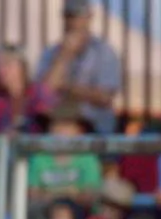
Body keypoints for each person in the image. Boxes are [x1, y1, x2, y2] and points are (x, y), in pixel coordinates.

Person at [37, 0, 123, 135]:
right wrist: (65, 56)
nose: (74, 22)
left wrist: (66, 87)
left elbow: (105, 96)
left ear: (89, 17)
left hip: (95, 128)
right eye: (70, 16)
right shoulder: (52, 52)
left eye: (79, 16)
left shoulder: (104, 52)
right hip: (58, 128)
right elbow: (43, 92)